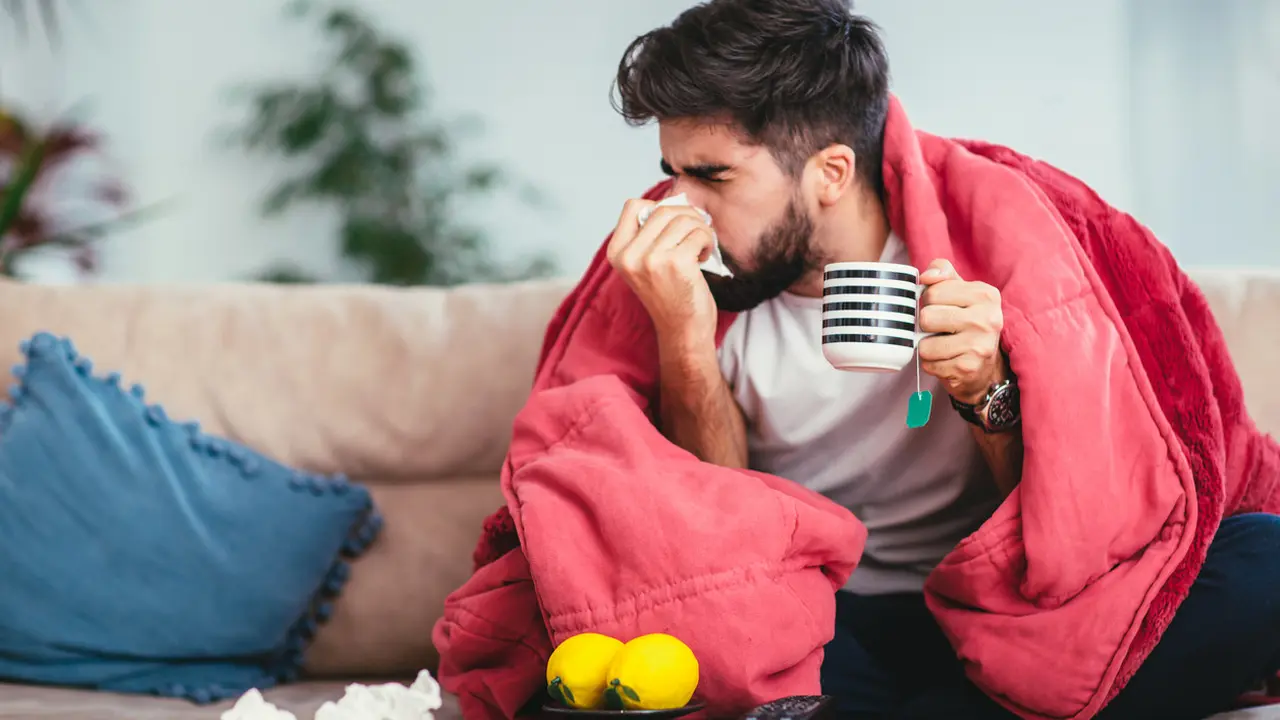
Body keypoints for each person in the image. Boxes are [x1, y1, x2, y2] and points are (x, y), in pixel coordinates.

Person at [602, 0, 1280, 717]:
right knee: (721, 638)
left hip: (1005, 610)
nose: (681, 205)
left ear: (831, 172)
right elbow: (712, 539)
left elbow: (1071, 529)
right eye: (672, 173)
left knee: (1265, 556)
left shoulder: (986, 251)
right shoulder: (697, 287)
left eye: (712, 176)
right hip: (822, 619)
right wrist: (681, 334)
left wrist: (988, 388)